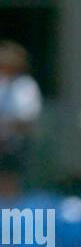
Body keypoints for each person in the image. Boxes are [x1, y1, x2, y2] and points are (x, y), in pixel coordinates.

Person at [0, 41, 42, 200]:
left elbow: (28, 119)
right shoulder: (1, 84)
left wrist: (6, 126)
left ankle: (11, 213)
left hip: (17, 144)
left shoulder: (26, 87)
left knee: (11, 182)